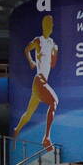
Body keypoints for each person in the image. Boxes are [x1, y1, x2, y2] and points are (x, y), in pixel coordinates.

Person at [14, 14, 60, 150]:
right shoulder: (38, 40)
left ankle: (16, 130)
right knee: (54, 102)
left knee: (28, 114)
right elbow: (27, 50)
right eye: (46, 24)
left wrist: (55, 53)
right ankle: (46, 138)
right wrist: (31, 61)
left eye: (50, 25)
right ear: (43, 26)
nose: (49, 27)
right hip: (39, 80)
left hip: (42, 82)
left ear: (52, 27)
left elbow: (52, 65)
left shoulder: (52, 44)